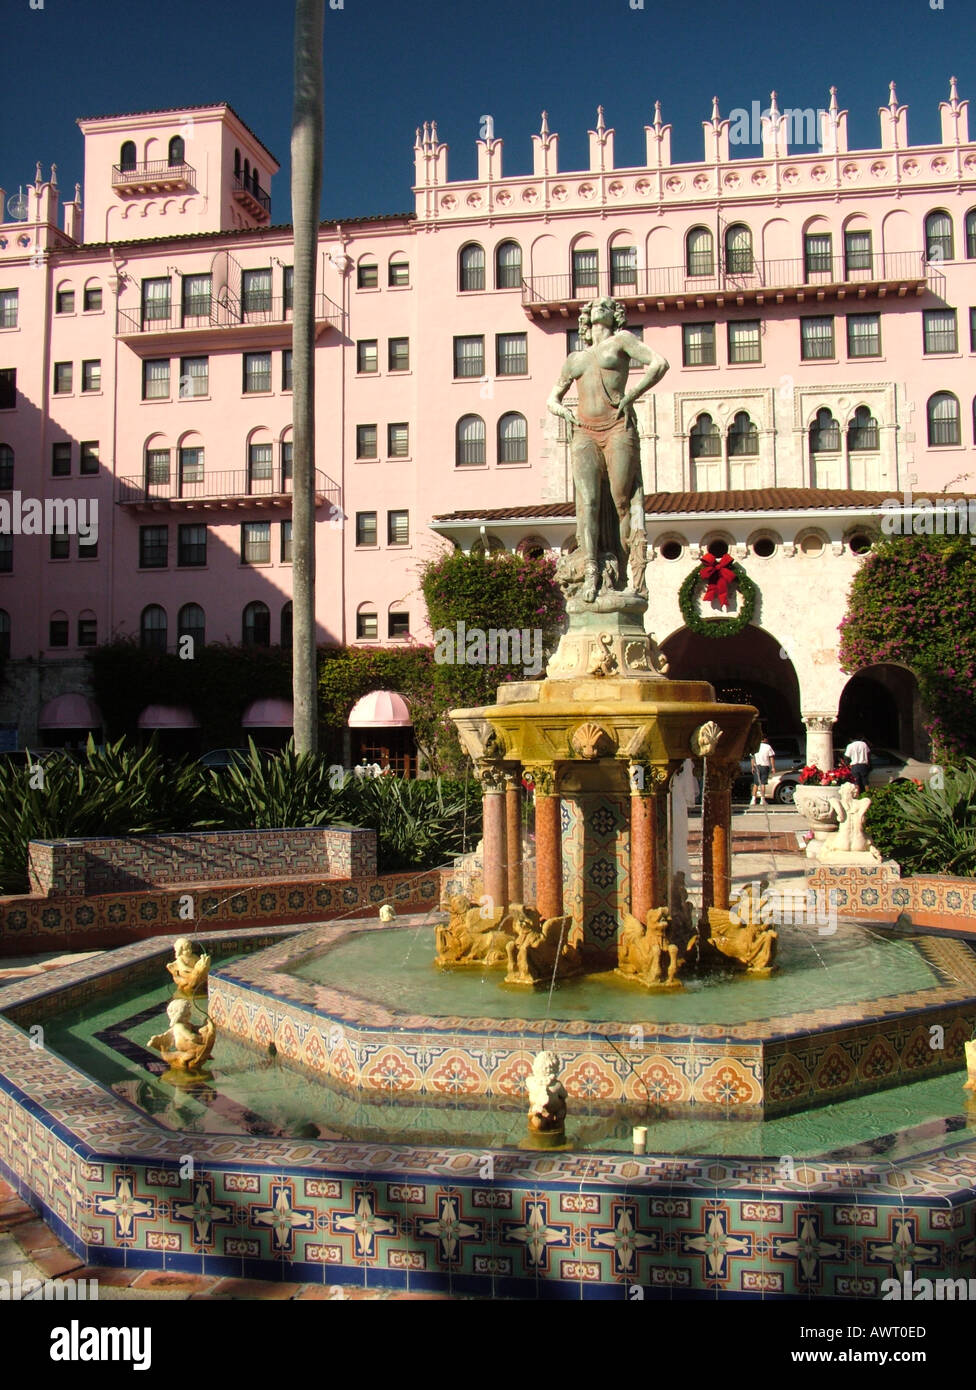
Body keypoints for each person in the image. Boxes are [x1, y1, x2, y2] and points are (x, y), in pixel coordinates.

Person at [547, 296, 668, 603]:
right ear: (586, 319)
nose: (599, 305)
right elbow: (552, 399)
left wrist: (631, 396)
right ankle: (590, 570)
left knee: (620, 501)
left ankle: (625, 571)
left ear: (614, 315)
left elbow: (659, 363)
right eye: (594, 305)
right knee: (586, 503)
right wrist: (564, 412)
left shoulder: (622, 341)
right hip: (584, 431)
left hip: (617, 427)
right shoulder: (575, 358)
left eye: (605, 304)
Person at [750, 736, 776, 807]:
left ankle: (753, 799)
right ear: (765, 739)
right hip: (765, 766)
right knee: (763, 783)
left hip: (756, 766)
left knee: (756, 783)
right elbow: (771, 757)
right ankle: (762, 799)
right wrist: (773, 767)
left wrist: (752, 767)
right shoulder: (768, 747)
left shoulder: (755, 746)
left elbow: (752, 758)